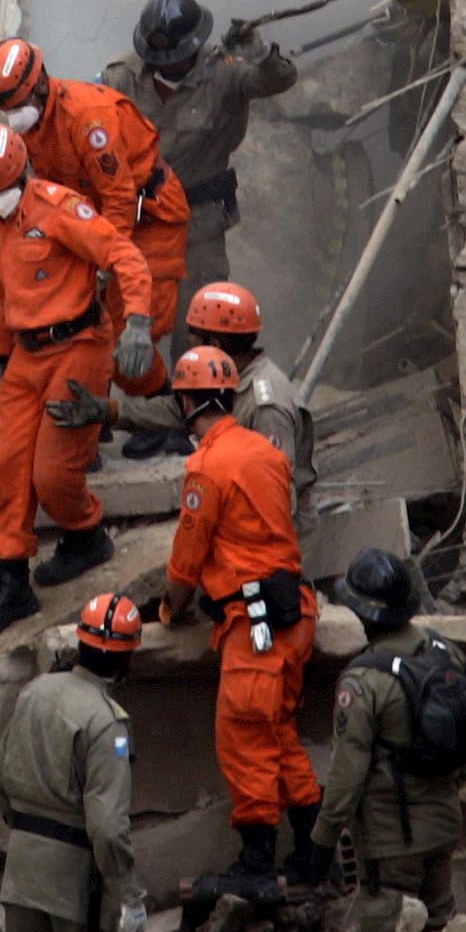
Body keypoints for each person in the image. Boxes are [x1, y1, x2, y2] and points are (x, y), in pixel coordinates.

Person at [0, 123, 156, 641]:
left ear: (22, 171)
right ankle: (11, 579)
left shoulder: (59, 209)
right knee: (5, 466)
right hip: (27, 354)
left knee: (52, 475)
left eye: (3, 188)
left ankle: (86, 532)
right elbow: (3, 292)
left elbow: (123, 256)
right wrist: (1, 358)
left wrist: (137, 323)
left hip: (78, 347)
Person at [161, 346, 324, 901]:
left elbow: (187, 556)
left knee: (245, 742)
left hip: (255, 626)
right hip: (293, 613)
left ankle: (258, 862)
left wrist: (169, 608)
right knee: (279, 737)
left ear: (186, 401)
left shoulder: (206, 466)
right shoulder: (266, 452)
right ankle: (311, 854)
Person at [102, 0, 297, 387]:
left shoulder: (226, 72)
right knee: (128, 317)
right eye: (158, 59)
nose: (166, 66)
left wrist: (259, 52)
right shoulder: (123, 76)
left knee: (198, 319)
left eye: (175, 58)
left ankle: (193, 410)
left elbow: (278, 79)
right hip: (142, 221)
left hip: (198, 222)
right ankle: (139, 411)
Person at [0, 38, 190, 394]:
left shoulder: (88, 119)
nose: (13, 117)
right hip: (96, 218)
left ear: (41, 85)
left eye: (17, 105)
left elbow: (119, 198)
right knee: (88, 322)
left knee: (129, 330)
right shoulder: (31, 126)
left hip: (148, 218)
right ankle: (96, 412)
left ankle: (161, 408)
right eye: (6, 109)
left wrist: (105, 267)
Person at [310, 549, 466, 932]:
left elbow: (347, 777)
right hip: (443, 826)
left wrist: (321, 841)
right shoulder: (445, 651)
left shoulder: (364, 681)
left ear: (363, 613)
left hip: (393, 841)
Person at [51, 283, 316, 521]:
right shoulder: (225, 378)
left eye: (194, 337)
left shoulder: (264, 405)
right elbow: (173, 410)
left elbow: (276, 497)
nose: (190, 346)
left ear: (215, 342)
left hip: (274, 539)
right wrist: (107, 411)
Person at [0, 592, 149, 932]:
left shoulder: (33, 694)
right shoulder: (108, 723)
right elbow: (108, 827)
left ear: (81, 642)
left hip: (22, 873)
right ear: (127, 657)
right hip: (77, 888)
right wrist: (129, 895)